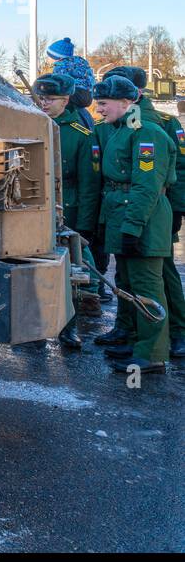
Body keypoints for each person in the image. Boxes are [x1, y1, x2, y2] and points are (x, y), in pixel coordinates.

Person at [97, 65, 185, 359]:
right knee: (129, 282)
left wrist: (133, 227)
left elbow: (147, 186)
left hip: (143, 219)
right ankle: (136, 340)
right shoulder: (122, 130)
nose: (98, 108)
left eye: (104, 103)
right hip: (124, 216)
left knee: (148, 285)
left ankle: (152, 354)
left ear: (128, 102)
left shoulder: (147, 133)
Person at [33, 72, 101, 346]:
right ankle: (35, 326)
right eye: (39, 98)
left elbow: (89, 185)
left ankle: (68, 327)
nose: (44, 104)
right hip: (33, 204)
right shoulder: (29, 125)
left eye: (50, 99)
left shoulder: (80, 136)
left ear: (66, 100)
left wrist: (84, 223)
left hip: (68, 206)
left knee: (69, 269)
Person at [45, 38, 96, 128]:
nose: (47, 59)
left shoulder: (60, 66)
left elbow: (59, 85)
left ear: (57, 57)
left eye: (49, 56)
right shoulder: (81, 64)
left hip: (73, 94)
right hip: (87, 95)